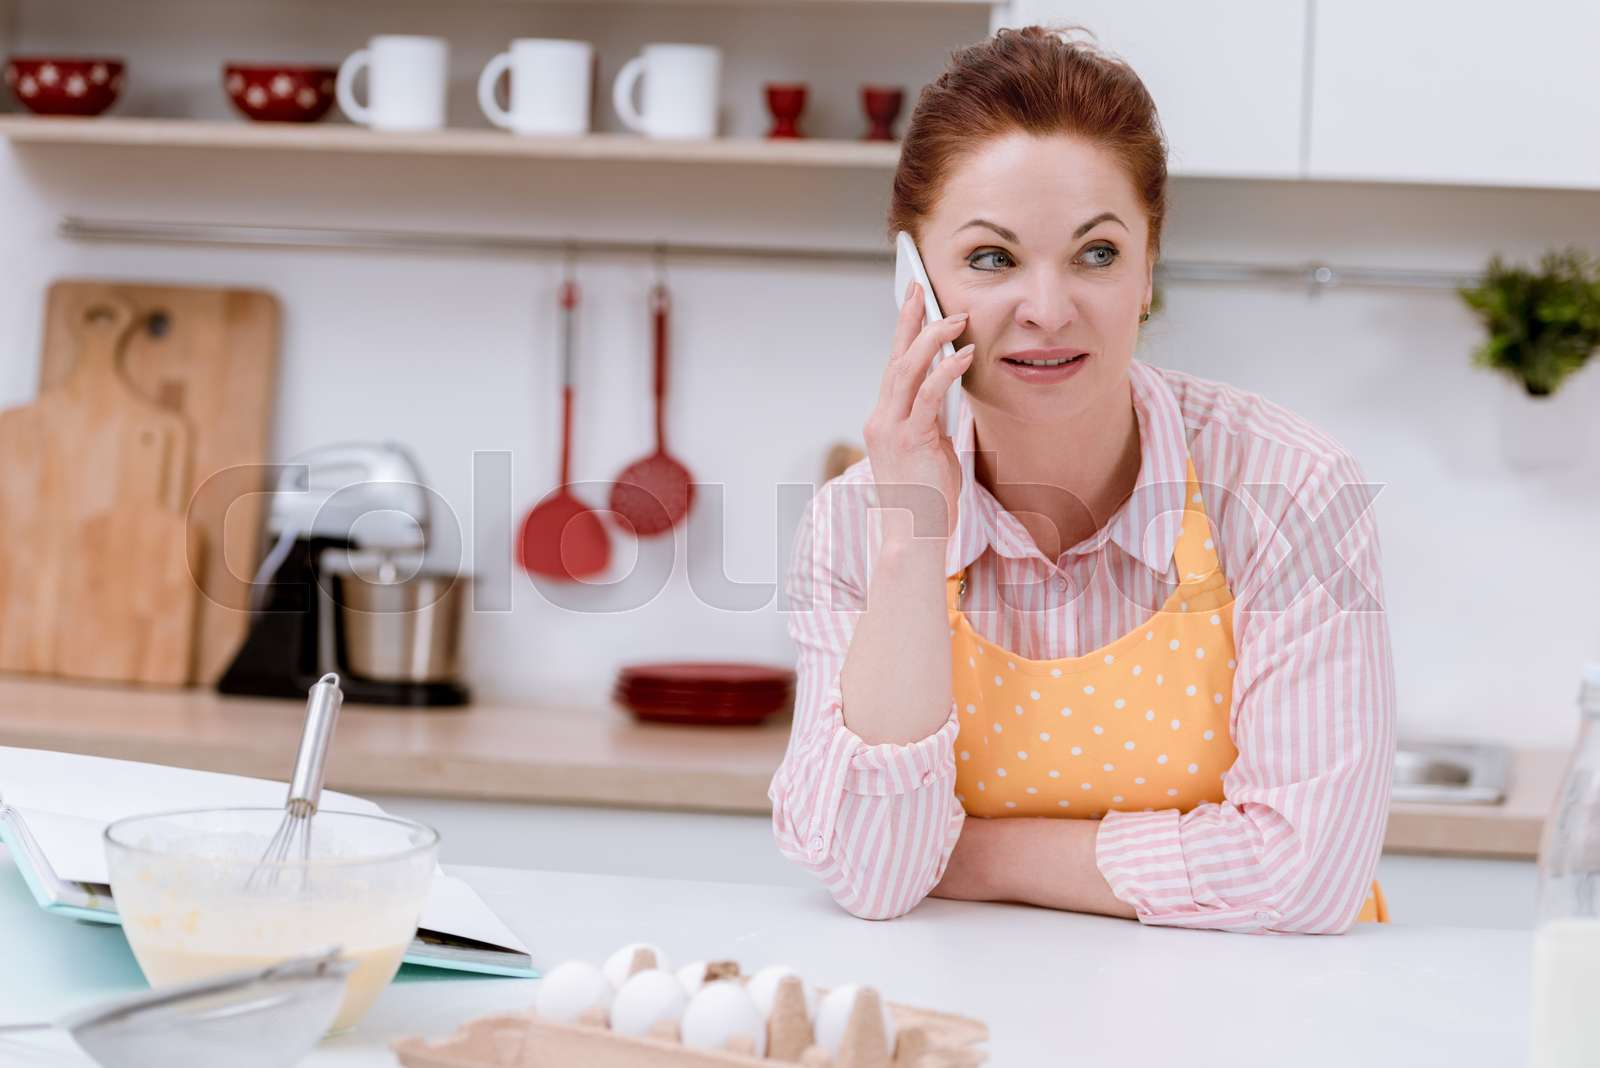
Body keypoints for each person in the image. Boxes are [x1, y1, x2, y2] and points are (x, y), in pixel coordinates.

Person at [769, 25, 1396, 934]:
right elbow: (872, 877)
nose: (1049, 310)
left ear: (1148, 267)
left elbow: (1306, 875)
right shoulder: (856, 521)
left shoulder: (1289, 488)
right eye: (992, 259)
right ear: (917, 280)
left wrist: (974, 853)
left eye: (1097, 253)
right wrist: (912, 540)